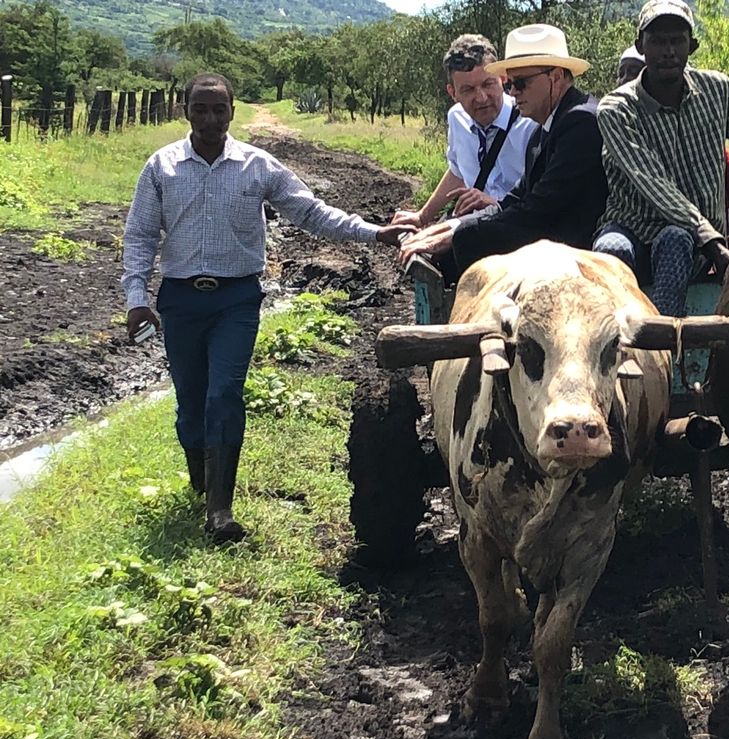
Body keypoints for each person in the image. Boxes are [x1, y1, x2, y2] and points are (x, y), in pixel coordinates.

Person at [122, 72, 407, 543]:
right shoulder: (161, 168)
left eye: (219, 110)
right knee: (190, 403)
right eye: (201, 109)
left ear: (233, 113)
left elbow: (312, 212)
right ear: (185, 111)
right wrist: (136, 299)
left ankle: (220, 510)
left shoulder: (258, 166)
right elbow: (140, 236)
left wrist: (375, 231)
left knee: (223, 395)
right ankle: (202, 484)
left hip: (236, 299)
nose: (210, 119)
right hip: (180, 300)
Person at [594, 0, 729, 316]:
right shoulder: (617, 110)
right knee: (611, 251)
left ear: (692, 46)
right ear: (640, 46)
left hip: (694, 242)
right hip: (634, 227)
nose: (668, 50)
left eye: (677, 40)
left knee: (676, 239)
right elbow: (653, 184)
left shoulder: (718, 91)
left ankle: (663, 348)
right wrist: (712, 241)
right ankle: (618, 346)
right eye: (658, 41)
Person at [399, 24, 607, 277]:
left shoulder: (580, 122)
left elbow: (539, 211)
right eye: (510, 84)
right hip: (550, 248)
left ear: (555, 77)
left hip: (577, 260)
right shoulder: (546, 126)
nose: (513, 92)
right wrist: (450, 226)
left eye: (521, 83)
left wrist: (458, 235)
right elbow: (515, 200)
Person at [614, 45, 729, 237]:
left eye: (634, 71)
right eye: (622, 72)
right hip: (647, 231)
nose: (625, 78)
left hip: (699, 235)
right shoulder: (617, 124)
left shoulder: (697, 132)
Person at [391, 34, 539, 238]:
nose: (481, 97)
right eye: (468, 89)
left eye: (488, 84)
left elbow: (541, 203)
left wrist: (495, 205)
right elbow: (457, 172)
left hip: (515, 228)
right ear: (452, 93)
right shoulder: (456, 118)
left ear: (503, 79)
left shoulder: (530, 122)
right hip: (471, 226)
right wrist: (422, 217)